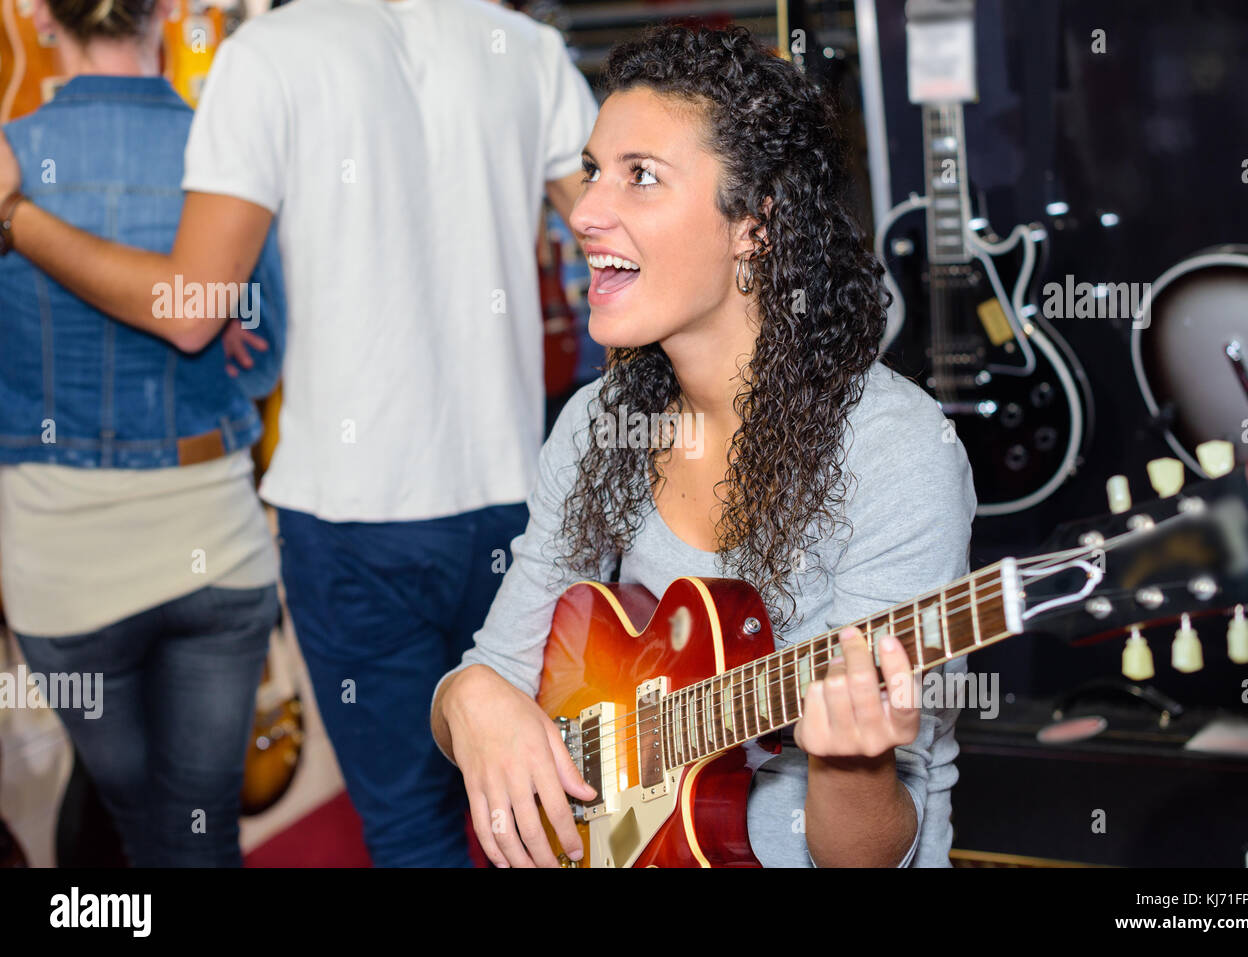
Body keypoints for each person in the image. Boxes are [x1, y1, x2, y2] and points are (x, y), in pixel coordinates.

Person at [0, 0, 598, 866]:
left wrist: (15, 217)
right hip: (519, 506)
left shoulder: (269, 53)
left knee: (414, 828)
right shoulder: (525, 47)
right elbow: (619, 236)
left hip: (353, 514)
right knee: (558, 809)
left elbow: (194, 307)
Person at [430, 24, 979, 868]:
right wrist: (467, 694)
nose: (585, 212)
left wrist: (851, 761)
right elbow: (496, 674)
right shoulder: (599, 422)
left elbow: (869, 854)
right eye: (592, 171)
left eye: (641, 176)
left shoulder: (896, 451)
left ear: (753, 223)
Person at [0, 0, 286, 866]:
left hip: (61, 561)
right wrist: (216, 322)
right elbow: (266, 362)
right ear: (165, 10)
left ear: (39, 17)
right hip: (216, 546)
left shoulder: (11, 162)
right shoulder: (223, 152)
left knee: (139, 824)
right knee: (203, 828)